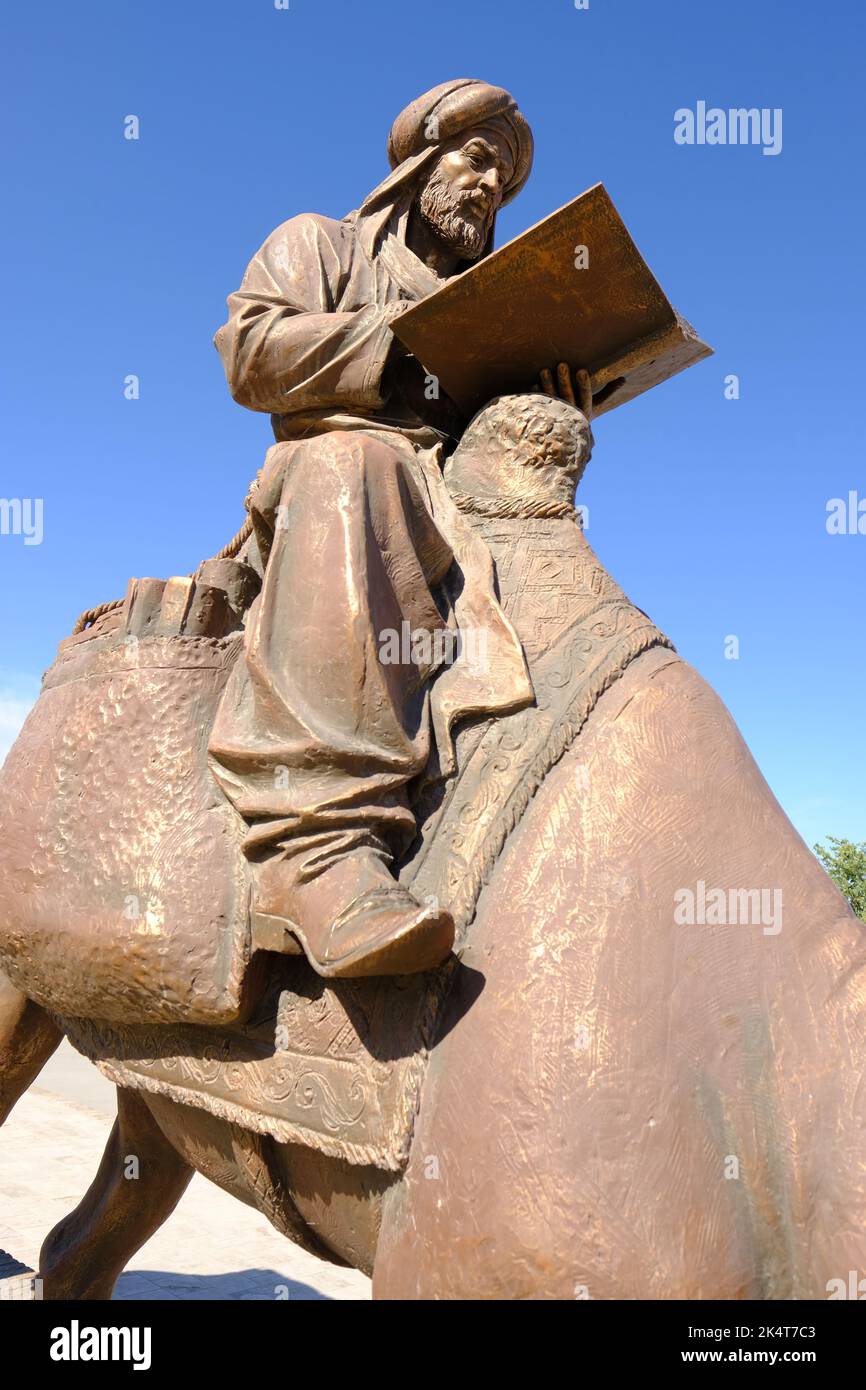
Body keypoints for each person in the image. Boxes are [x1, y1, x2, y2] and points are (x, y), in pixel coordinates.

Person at [208, 78, 590, 979]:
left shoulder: (488, 297)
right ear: (422, 159)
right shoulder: (320, 244)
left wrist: (545, 400)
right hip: (332, 486)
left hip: (449, 508)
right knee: (361, 464)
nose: (492, 185)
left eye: (505, 175)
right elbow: (252, 356)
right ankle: (319, 849)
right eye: (478, 158)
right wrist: (403, 336)